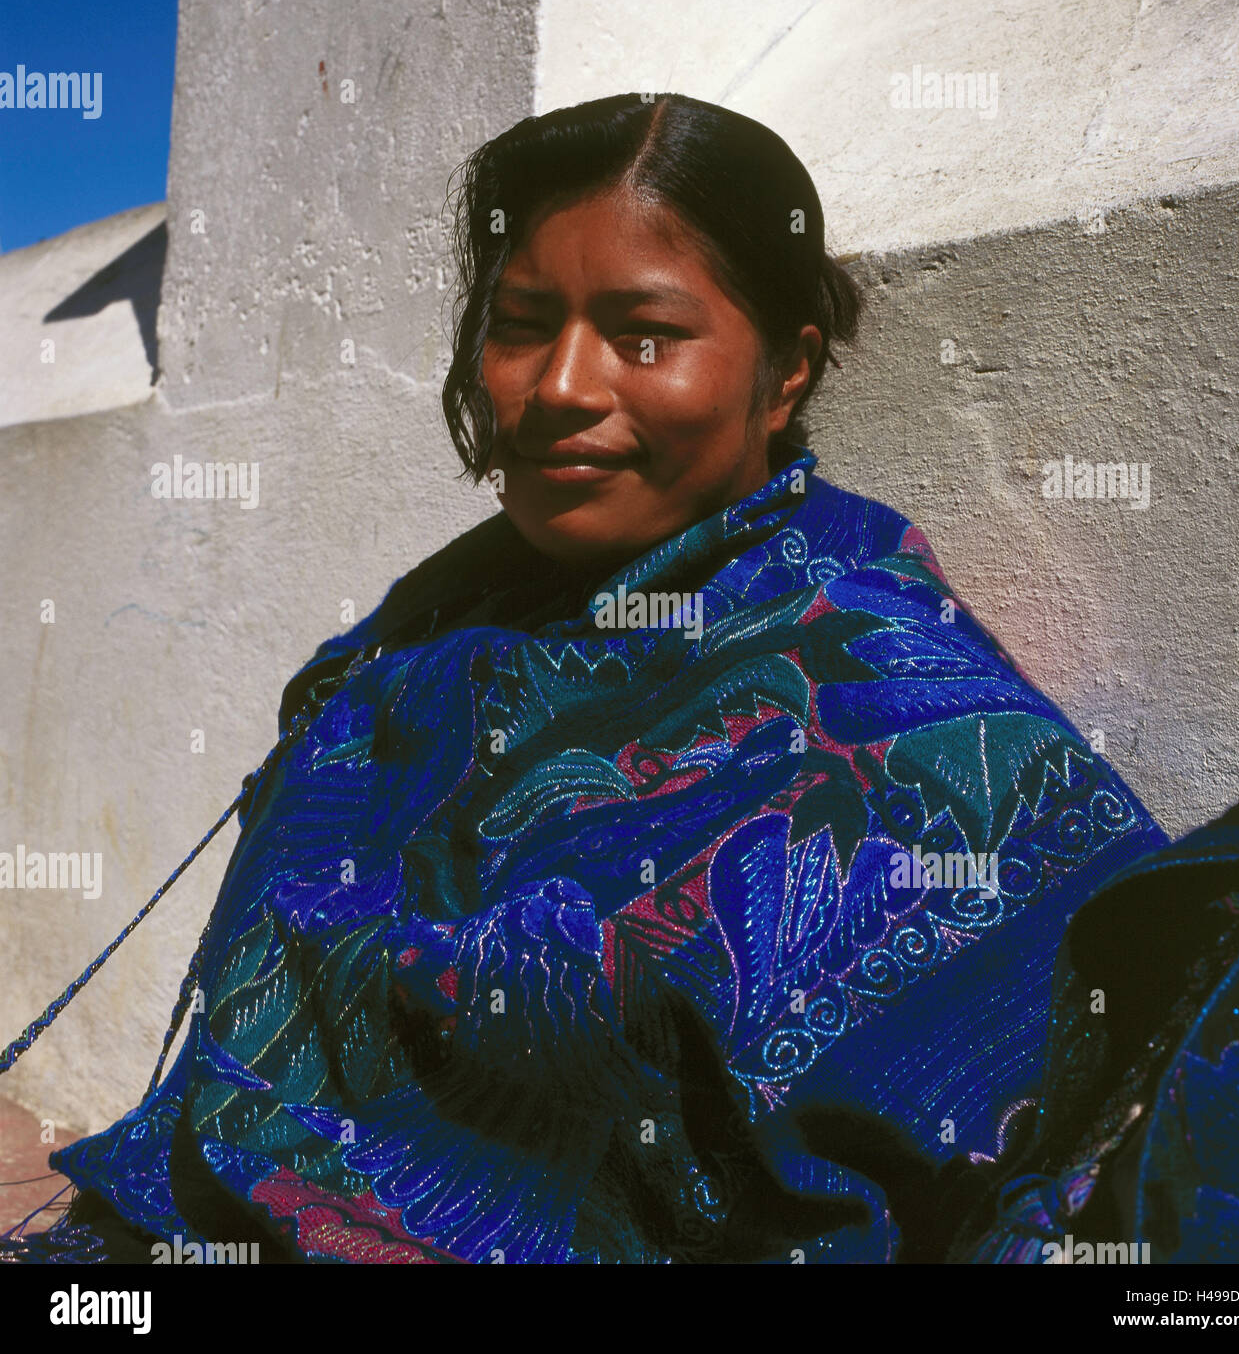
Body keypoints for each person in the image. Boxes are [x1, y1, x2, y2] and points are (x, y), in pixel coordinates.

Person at [1, 93, 1167, 1264]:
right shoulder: (433, 637)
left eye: (643, 334)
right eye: (520, 324)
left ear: (784, 372)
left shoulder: (910, 725)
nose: (557, 385)